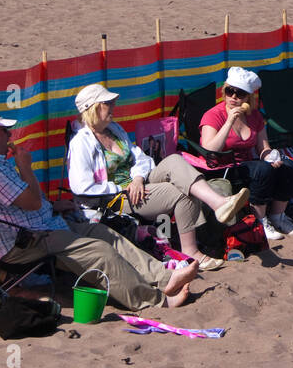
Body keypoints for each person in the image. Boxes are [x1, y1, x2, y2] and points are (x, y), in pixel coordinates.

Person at [0, 108, 199, 310]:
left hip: (43, 224)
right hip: (27, 240)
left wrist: (53, 205)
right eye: (3, 130)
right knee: (100, 253)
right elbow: (32, 202)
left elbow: (18, 203)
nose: (10, 134)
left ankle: (164, 278)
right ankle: (154, 300)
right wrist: (26, 168)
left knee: (106, 235)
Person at [67, 83, 248, 270]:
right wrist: (123, 188)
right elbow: (81, 186)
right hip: (115, 199)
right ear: (94, 108)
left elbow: (141, 158)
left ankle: (219, 204)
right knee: (181, 192)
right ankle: (191, 251)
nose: (114, 107)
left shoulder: (114, 130)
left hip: (137, 184)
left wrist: (137, 178)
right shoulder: (81, 143)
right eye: (108, 103)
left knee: (174, 160)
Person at [199, 67, 293, 241]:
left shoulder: (254, 116)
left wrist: (271, 156)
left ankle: (278, 216)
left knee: (289, 166)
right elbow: (210, 150)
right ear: (224, 92)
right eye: (229, 91)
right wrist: (229, 120)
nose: (233, 97)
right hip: (222, 166)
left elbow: (263, 148)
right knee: (262, 170)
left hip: (248, 163)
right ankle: (260, 221)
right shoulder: (213, 115)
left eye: (239, 94)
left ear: (248, 97)